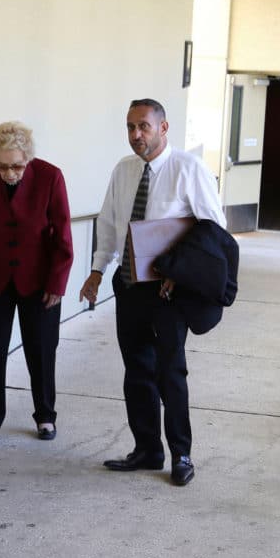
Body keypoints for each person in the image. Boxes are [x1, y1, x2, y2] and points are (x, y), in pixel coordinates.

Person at [78, 99, 226, 486]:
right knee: (137, 372)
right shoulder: (124, 170)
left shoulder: (188, 169)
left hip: (168, 292)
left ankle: (181, 454)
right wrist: (97, 271)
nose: (136, 135)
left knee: (170, 372)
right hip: (129, 287)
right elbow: (110, 224)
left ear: (163, 128)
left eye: (143, 126)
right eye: (130, 127)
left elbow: (213, 229)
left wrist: (182, 270)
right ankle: (147, 449)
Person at [0, 121, 73, 444]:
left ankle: (45, 416)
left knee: (41, 349)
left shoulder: (50, 176)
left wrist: (58, 283)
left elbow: (63, 235)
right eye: (2, 166)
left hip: (40, 279)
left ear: (29, 159)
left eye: (17, 166)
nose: (9, 174)